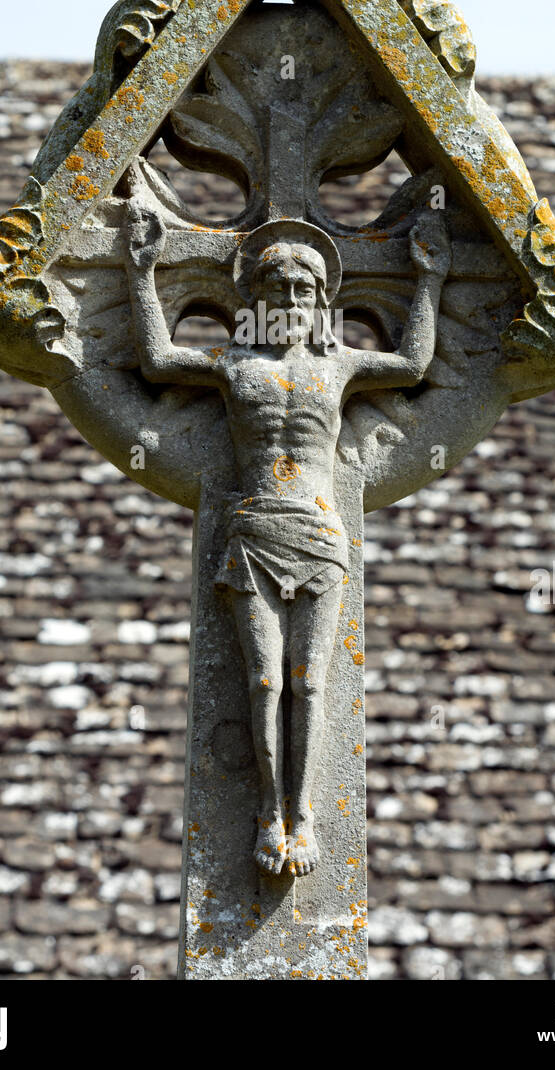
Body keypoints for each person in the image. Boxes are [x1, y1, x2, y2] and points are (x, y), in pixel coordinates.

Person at [124, 202, 450, 876]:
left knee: (310, 682)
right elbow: (157, 359)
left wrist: (429, 278)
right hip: (254, 531)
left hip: (320, 535)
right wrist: (141, 269)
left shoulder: (340, 367)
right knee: (265, 679)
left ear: (322, 298)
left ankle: (302, 816)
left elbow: (414, 362)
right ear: (257, 296)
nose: (293, 297)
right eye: (279, 287)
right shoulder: (232, 365)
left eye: (305, 288)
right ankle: (269, 813)